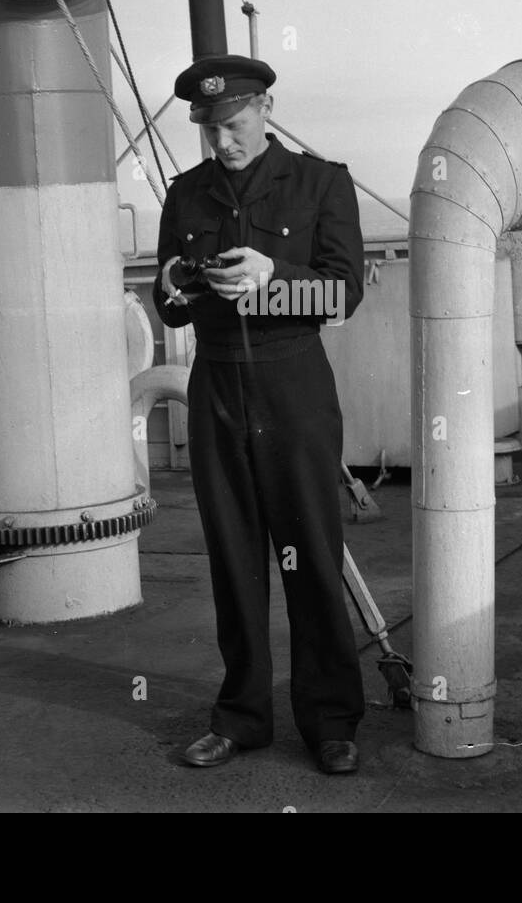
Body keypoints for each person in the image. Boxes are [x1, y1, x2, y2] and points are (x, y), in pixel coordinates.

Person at [152, 53, 366, 775]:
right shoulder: (186, 196)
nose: (223, 142)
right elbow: (168, 305)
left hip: (294, 387)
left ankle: (331, 720)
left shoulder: (321, 183)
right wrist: (175, 288)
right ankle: (241, 718)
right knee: (234, 562)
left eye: (234, 125)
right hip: (216, 389)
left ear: (266, 109)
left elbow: (341, 296)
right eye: (209, 130)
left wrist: (276, 280)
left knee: (309, 558)